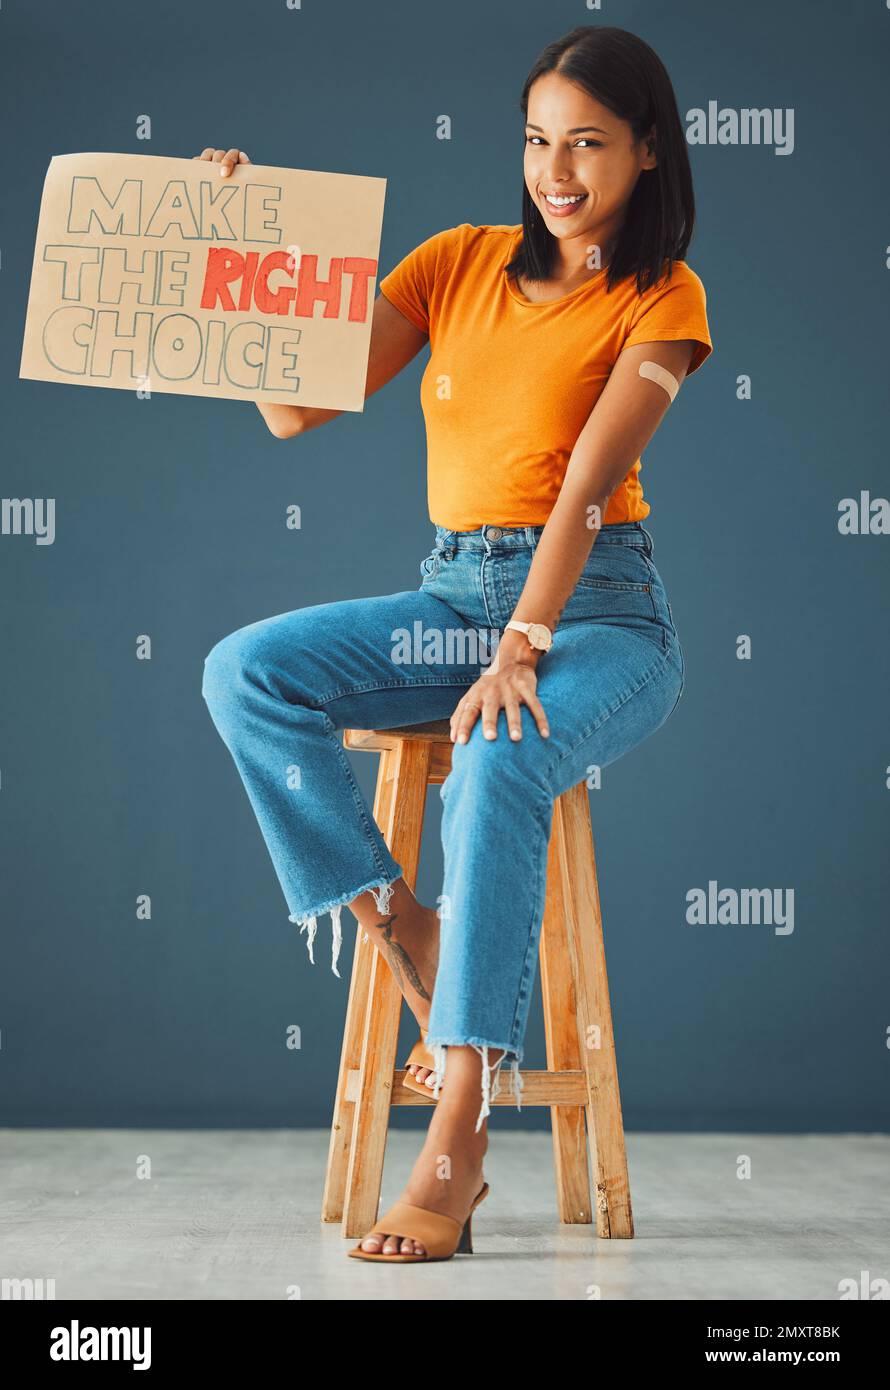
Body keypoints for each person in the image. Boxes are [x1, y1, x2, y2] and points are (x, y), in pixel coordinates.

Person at [200, 22, 713, 1264]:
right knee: (244, 671)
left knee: (498, 751)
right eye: (537, 140)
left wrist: (523, 643)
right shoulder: (454, 264)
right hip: (450, 601)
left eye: (587, 144)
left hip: (597, 614)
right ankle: (405, 927)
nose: (555, 171)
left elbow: (584, 487)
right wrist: (236, 250)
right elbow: (291, 409)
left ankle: (457, 1135)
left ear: (647, 151)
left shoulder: (663, 297)